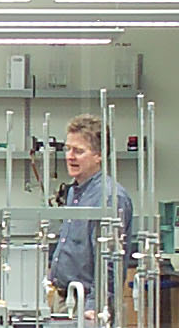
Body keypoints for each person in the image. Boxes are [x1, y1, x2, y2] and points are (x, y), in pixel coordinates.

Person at [45, 113, 135, 314]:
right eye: (68, 149)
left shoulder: (110, 198)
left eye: (78, 151)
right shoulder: (74, 192)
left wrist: (95, 305)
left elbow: (111, 261)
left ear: (99, 155)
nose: (70, 156)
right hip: (64, 298)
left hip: (87, 305)